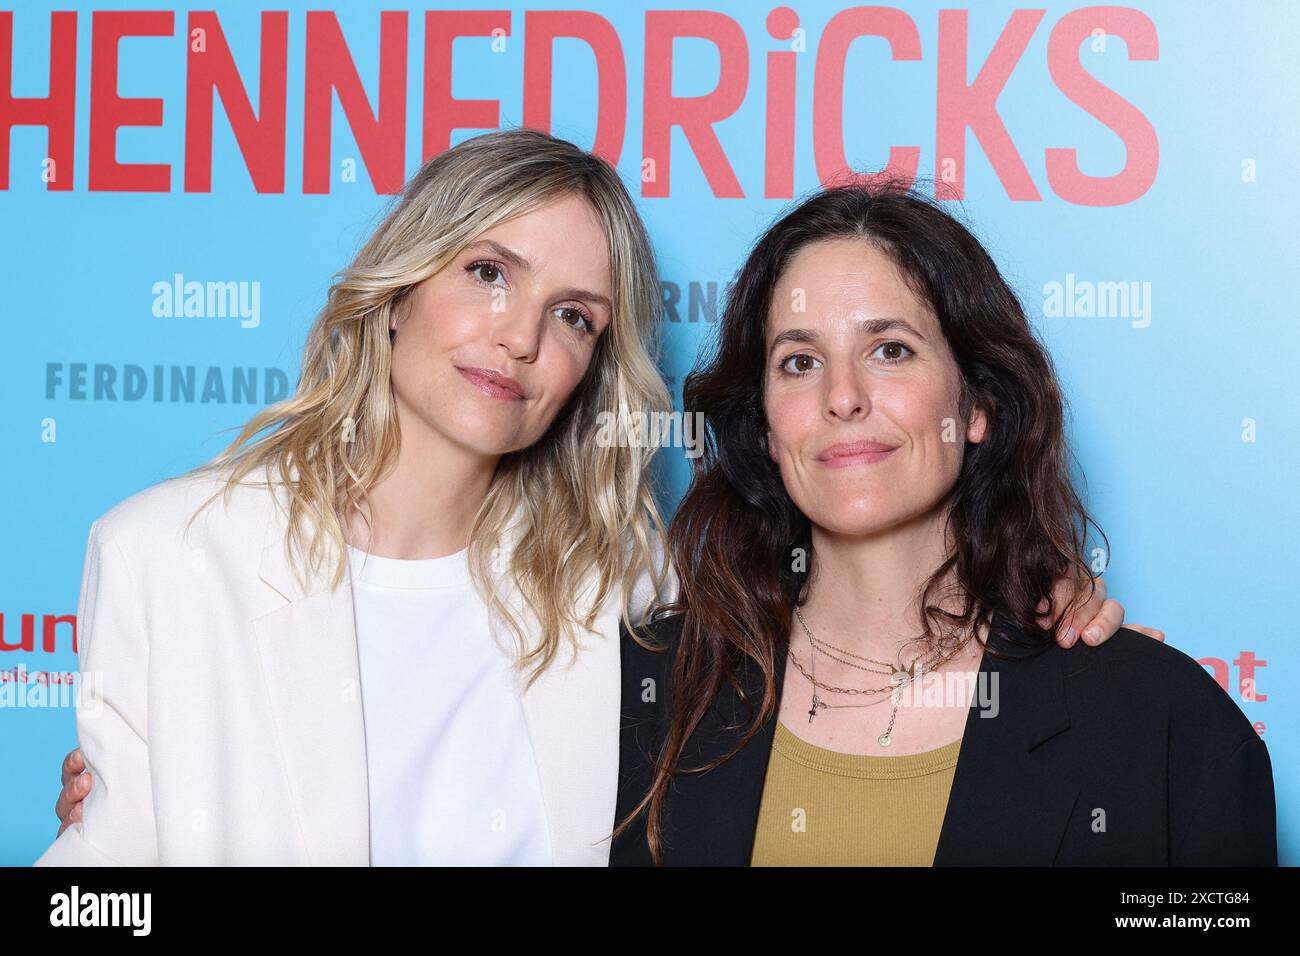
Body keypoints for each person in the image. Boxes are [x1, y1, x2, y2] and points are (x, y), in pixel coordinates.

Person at [43, 132, 1136, 866]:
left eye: (573, 315)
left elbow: (875, 614)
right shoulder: (169, 555)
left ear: (590, 370)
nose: (520, 335)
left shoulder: (629, 589)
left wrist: (1041, 598)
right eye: (486, 272)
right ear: (395, 290)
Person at [611, 182, 1274, 866]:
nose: (842, 397)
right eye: (800, 362)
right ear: (768, 430)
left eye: (890, 349)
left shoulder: (1159, 721)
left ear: (978, 403)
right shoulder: (645, 697)